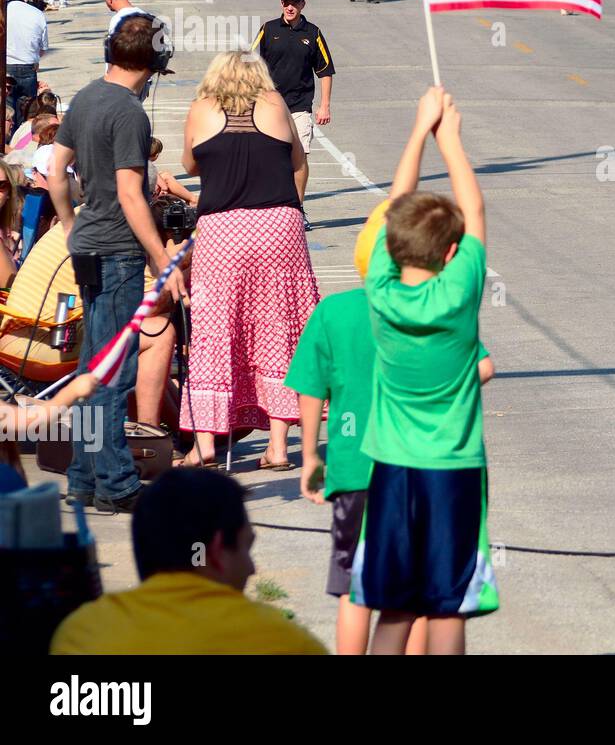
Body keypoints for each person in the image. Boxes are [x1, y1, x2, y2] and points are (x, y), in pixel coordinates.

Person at [290, 200, 495, 654]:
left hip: (350, 469)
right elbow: (482, 366)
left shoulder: (332, 312)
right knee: (421, 594)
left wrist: (308, 456)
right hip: (409, 469)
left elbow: (309, 387)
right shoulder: (436, 312)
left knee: (354, 583)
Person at [356, 87, 496, 655]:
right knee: (447, 607)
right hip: (451, 471)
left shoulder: (381, 292)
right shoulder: (459, 296)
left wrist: (420, 130)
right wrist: (453, 143)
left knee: (394, 603)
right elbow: (477, 211)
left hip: (392, 468)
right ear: (451, 253)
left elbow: (396, 206)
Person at [47, 14, 185, 513]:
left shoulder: (84, 96)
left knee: (91, 367)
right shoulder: (129, 113)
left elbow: (56, 169)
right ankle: (117, 482)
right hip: (117, 252)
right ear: (154, 60)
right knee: (114, 373)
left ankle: (84, 476)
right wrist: (160, 254)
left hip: (86, 244)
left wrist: (67, 224)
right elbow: (131, 193)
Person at [179, 52, 318, 470]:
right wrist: (291, 207)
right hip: (279, 225)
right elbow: (299, 165)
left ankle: (205, 443)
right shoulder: (276, 105)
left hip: (223, 231)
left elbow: (190, 162)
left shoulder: (202, 109)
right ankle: (277, 446)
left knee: (214, 329)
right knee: (279, 328)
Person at [50, 469, 328, 654]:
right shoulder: (284, 642)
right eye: (247, 547)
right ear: (216, 549)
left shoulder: (81, 634)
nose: (252, 568)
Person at [251, 0, 335, 213]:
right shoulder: (268, 30)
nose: (290, 7)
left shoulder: (313, 33)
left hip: (300, 106)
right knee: (271, 157)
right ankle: (272, 205)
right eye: (286, 2)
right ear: (281, 4)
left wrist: (324, 106)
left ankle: (297, 208)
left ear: (302, 5)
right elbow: (250, 64)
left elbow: (325, 71)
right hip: (270, 106)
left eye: (295, 3)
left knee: (299, 158)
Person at [6, 0, 47, 120]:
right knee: (28, 113)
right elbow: (42, 47)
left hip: (7, 66)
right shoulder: (36, 13)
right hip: (28, 66)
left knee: (8, 113)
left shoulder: (3, 12)